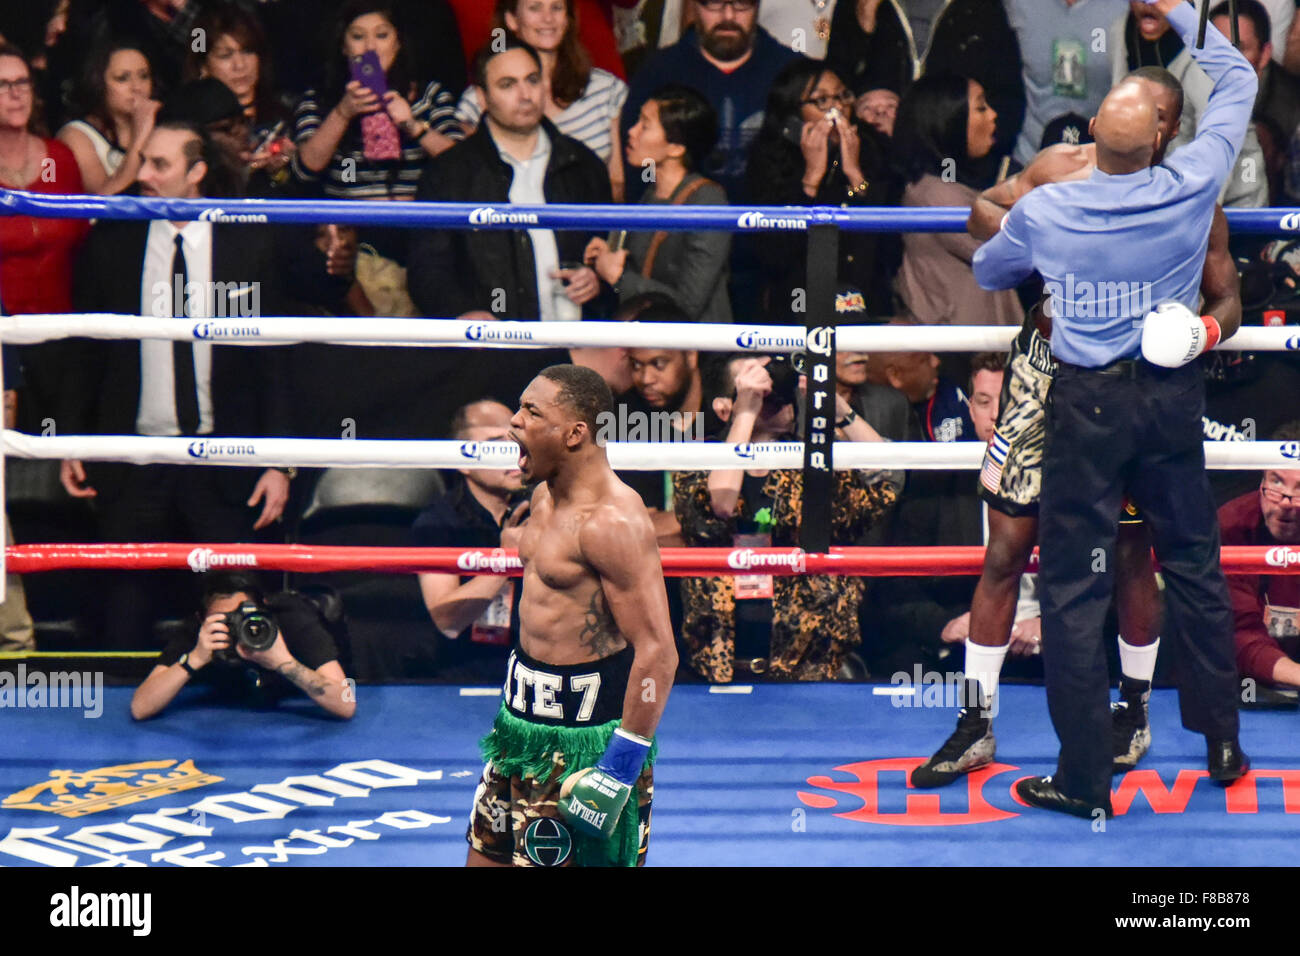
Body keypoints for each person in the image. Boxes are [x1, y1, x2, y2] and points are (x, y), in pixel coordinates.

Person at [917, 66, 1242, 790]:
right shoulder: (1060, 170)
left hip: (1129, 391)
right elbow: (982, 217)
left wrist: (1205, 330)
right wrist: (1053, 246)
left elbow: (1227, 295)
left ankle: (1131, 710)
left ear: (1168, 133)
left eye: (1154, 115)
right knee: (1005, 548)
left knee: (1129, 555)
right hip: (1045, 371)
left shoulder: (1193, 202)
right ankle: (976, 720)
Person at [58, 120, 294, 651]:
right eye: (142, 161)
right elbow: (87, 351)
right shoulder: (114, 244)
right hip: (137, 454)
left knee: (238, 607)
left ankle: (241, 724)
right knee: (122, 612)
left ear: (197, 173)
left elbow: (270, 359)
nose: (142, 175)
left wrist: (279, 460)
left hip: (223, 456)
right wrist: (70, 438)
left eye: (159, 165)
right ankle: (114, 724)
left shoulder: (245, 245)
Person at [467, 364, 677, 868]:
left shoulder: (613, 522)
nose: (514, 423)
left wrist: (619, 768)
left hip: (584, 751)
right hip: (517, 728)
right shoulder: (541, 496)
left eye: (531, 412)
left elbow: (658, 652)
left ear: (576, 433)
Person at [408, 31, 607, 417]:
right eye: (508, 84)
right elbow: (426, 270)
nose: (526, 93)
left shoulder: (584, 166)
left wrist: (596, 279)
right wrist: (463, 312)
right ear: (481, 97)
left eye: (533, 80)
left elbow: (611, 251)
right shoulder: (449, 174)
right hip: (486, 362)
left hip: (576, 357)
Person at [674, 354, 897, 682]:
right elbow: (718, 505)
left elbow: (886, 479)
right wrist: (746, 413)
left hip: (807, 665)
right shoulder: (700, 459)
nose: (771, 394)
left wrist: (839, 411)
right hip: (716, 664)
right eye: (754, 385)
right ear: (724, 407)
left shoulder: (812, 462)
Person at [745, 58, 897, 320]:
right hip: (796, 305)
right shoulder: (767, 160)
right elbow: (774, 255)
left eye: (842, 97)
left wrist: (855, 176)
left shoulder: (873, 150)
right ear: (793, 113)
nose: (837, 109)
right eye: (822, 101)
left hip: (864, 301)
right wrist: (811, 181)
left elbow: (887, 244)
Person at [622, 0, 798, 203]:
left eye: (742, 4)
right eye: (714, 3)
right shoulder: (657, 73)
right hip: (678, 226)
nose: (729, 16)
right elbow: (642, 166)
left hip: (769, 224)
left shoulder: (791, 73)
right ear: (694, 6)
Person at [585, 84, 731, 324]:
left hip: (695, 352)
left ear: (676, 147)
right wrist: (607, 256)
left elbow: (688, 304)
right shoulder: (650, 195)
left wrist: (619, 276)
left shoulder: (707, 202)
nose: (632, 132)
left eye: (645, 125)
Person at [0, 44, 90, 431]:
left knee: (58, 454)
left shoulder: (59, 158)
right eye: (2, 85)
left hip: (61, 340)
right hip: (4, 344)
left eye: (22, 82)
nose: (16, 93)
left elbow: (88, 233)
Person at [456, 0, 628, 199]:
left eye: (556, 8)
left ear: (567, 20)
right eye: (535, 8)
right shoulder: (479, 99)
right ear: (512, 20)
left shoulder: (606, 89)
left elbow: (619, 183)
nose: (548, 18)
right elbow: (469, 181)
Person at [291, 0, 461, 201]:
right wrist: (342, 114)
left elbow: (462, 165)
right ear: (344, 46)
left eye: (381, 35)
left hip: (416, 226)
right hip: (348, 223)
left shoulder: (430, 95)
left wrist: (413, 126)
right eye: (358, 37)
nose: (370, 47)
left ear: (397, 43)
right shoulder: (319, 99)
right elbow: (304, 170)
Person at [131, 571, 355, 720]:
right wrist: (195, 659)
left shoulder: (292, 619)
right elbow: (140, 707)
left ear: (264, 608)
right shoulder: (201, 632)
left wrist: (284, 662)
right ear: (202, 619)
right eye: (225, 620)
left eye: (245, 615)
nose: (237, 626)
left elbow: (346, 704)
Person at [892, 73, 1022, 327]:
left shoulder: (945, 187)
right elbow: (1012, 255)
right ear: (947, 119)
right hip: (960, 351)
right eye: (981, 107)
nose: (993, 115)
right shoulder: (937, 194)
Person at [1110, 0, 1268, 207]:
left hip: (1232, 205)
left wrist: (1195, 217)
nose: (1147, 4)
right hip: (1169, 196)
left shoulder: (1203, 49)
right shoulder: (1120, 31)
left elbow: (1218, 151)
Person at [414, 400, 527, 684]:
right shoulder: (437, 522)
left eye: (515, 441)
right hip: (464, 677)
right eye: (494, 444)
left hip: (542, 673)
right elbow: (447, 621)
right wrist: (506, 560)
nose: (511, 454)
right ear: (464, 461)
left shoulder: (547, 506)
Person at [1220, 421, 1300, 689]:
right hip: (1247, 690)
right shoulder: (1230, 526)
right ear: (1262, 481)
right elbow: (1237, 635)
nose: (1287, 502)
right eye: (1276, 482)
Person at [183, 5, 295, 189]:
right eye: (225, 56)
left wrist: (282, 171)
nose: (240, 65)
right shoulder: (189, 124)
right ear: (203, 66)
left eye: (248, 52)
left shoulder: (286, 114)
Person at [57, 40, 159, 195]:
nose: (137, 87)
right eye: (122, 78)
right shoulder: (76, 135)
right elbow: (104, 203)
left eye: (144, 76)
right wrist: (140, 136)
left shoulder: (162, 128)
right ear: (98, 83)